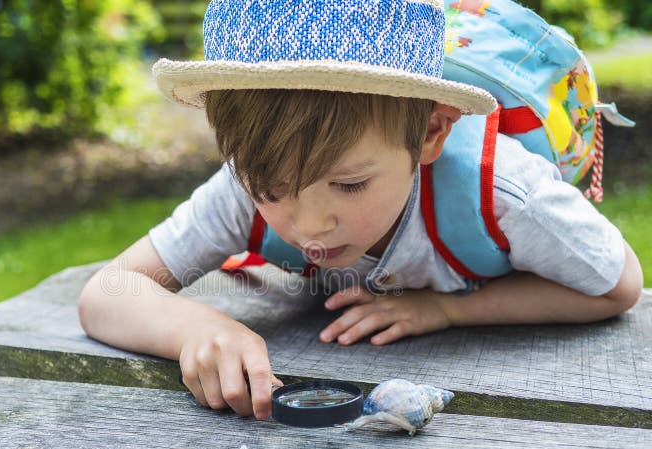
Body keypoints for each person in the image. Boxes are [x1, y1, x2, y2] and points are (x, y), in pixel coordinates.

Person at [77, 0, 643, 422]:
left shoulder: (502, 190)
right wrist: (192, 324)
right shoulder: (239, 187)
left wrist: (446, 311)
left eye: (348, 185)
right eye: (269, 187)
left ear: (431, 131)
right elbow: (110, 290)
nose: (308, 226)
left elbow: (617, 284)